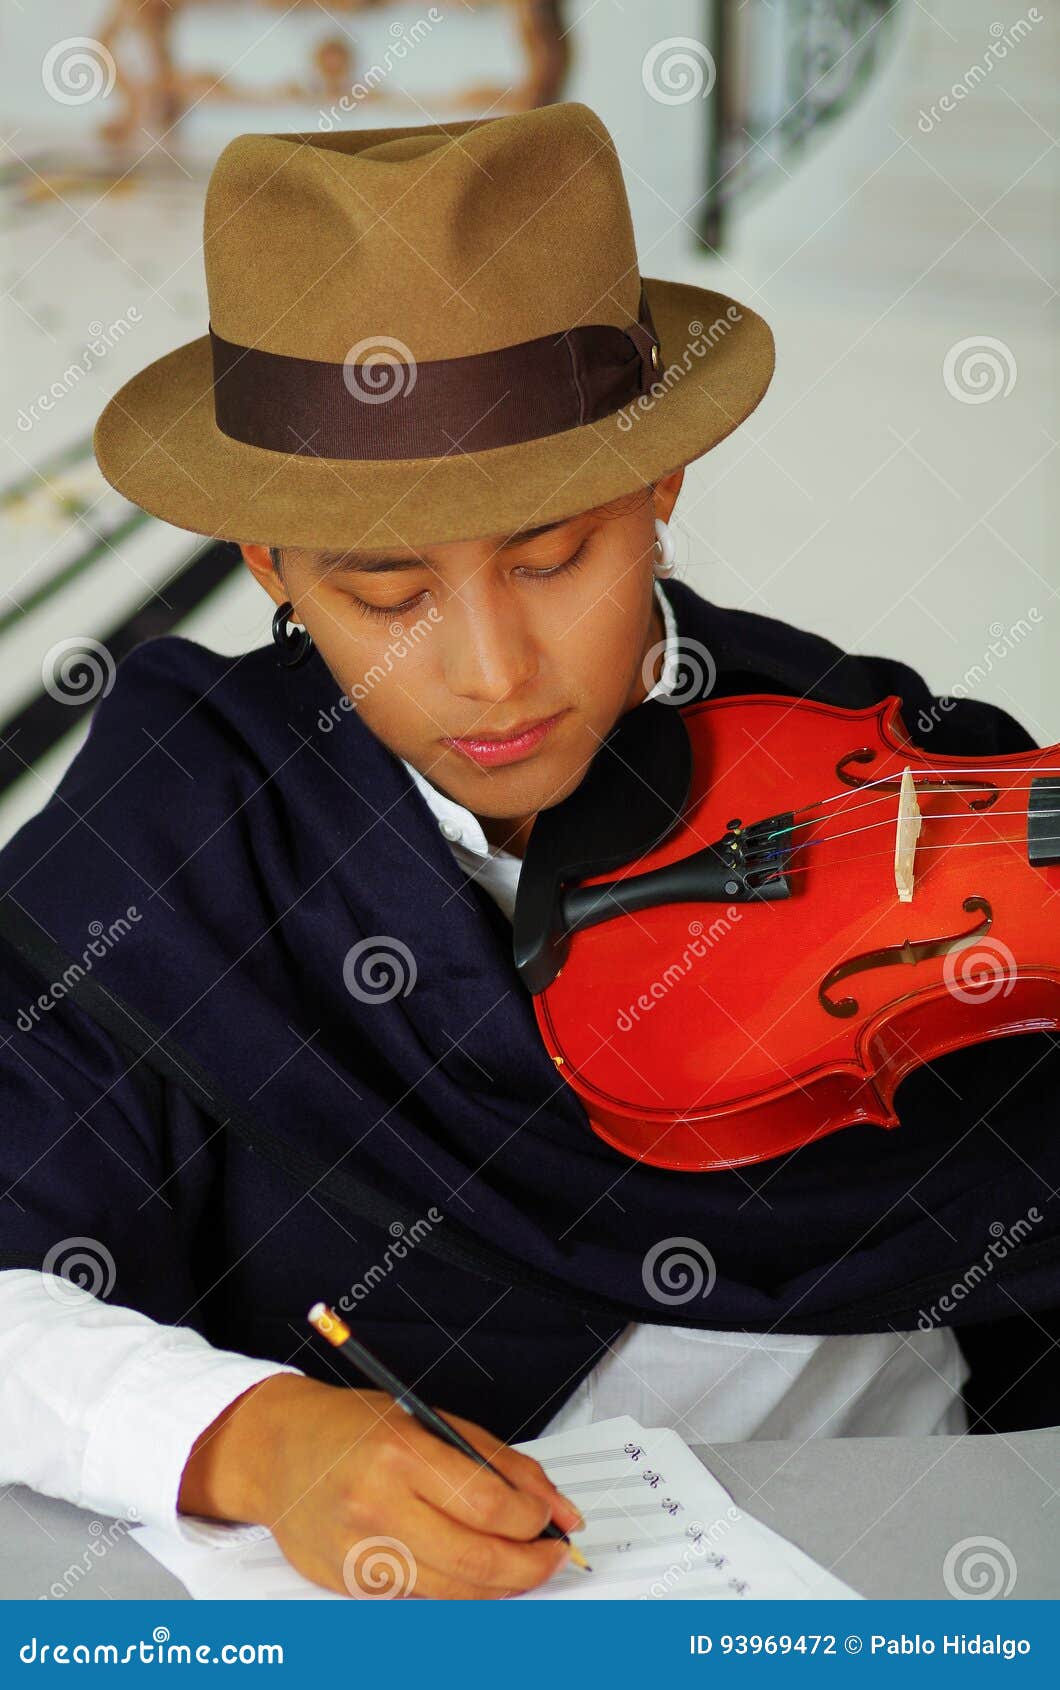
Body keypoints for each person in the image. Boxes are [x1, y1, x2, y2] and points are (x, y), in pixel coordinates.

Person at [1, 102, 1058, 1602]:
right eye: (384, 591)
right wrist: (258, 1436)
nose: (495, 672)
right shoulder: (183, 823)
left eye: (558, 556)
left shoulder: (889, 760)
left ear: (661, 485)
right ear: (269, 564)